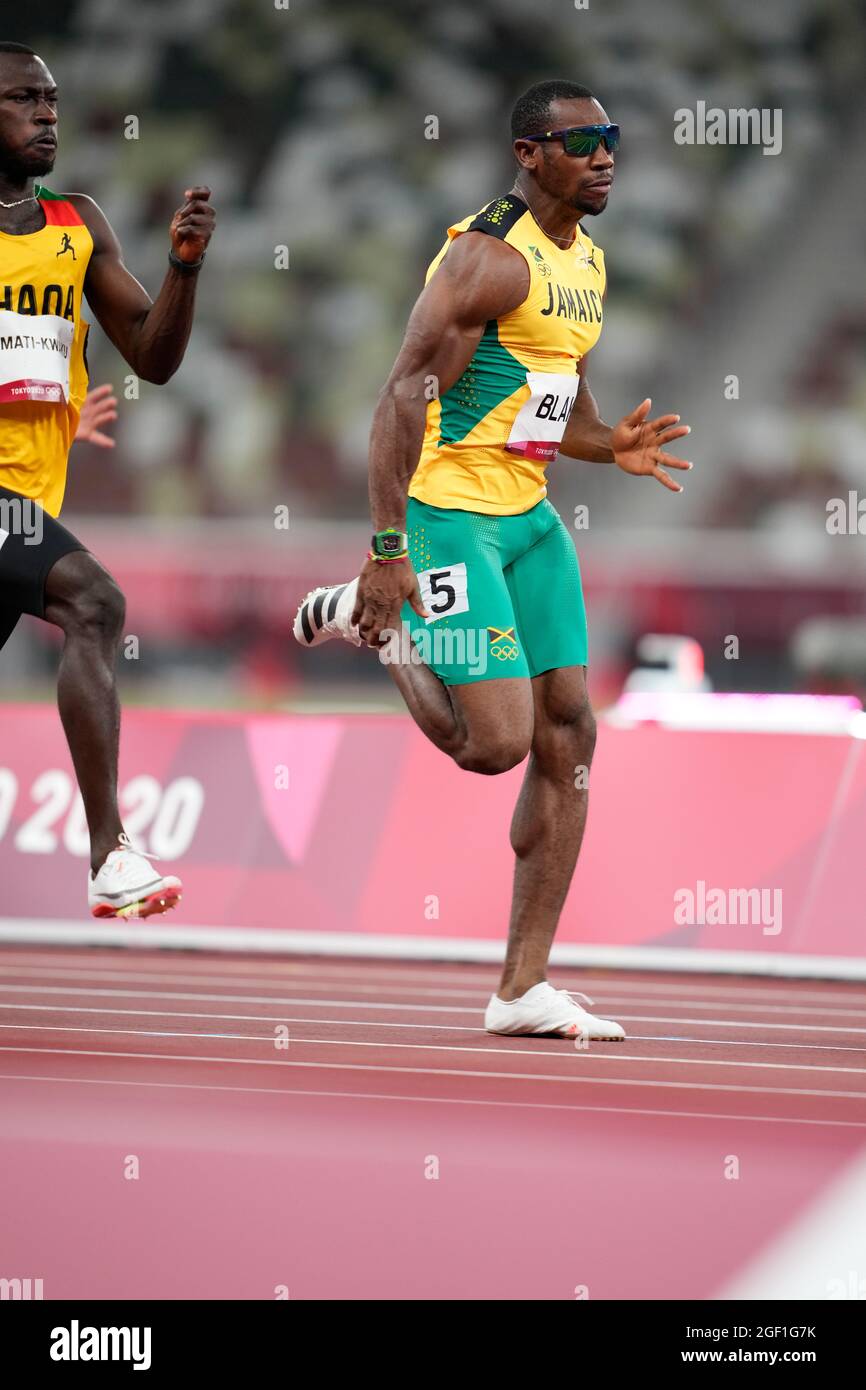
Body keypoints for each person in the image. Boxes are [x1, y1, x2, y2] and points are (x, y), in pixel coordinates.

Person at [294, 79, 693, 1039]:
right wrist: (387, 550)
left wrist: (611, 446)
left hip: (529, 518)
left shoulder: (587, 261)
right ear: (528, 154)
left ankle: (521, 988)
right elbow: (400, 397)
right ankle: (373, 622)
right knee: (495, 745)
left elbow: (559, 410)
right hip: (448, 518)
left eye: (612, 137)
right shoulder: (487, 260)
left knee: (571, 734)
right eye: (582, 141)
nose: (605, 156)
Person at [0, 41, 214, 918]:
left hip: (26, 500)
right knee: (94, 602)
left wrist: (183, 268)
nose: (47, 113)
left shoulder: (76, 224)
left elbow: (153, 359)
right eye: (23, 98)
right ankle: (110, 853)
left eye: (52, 98)